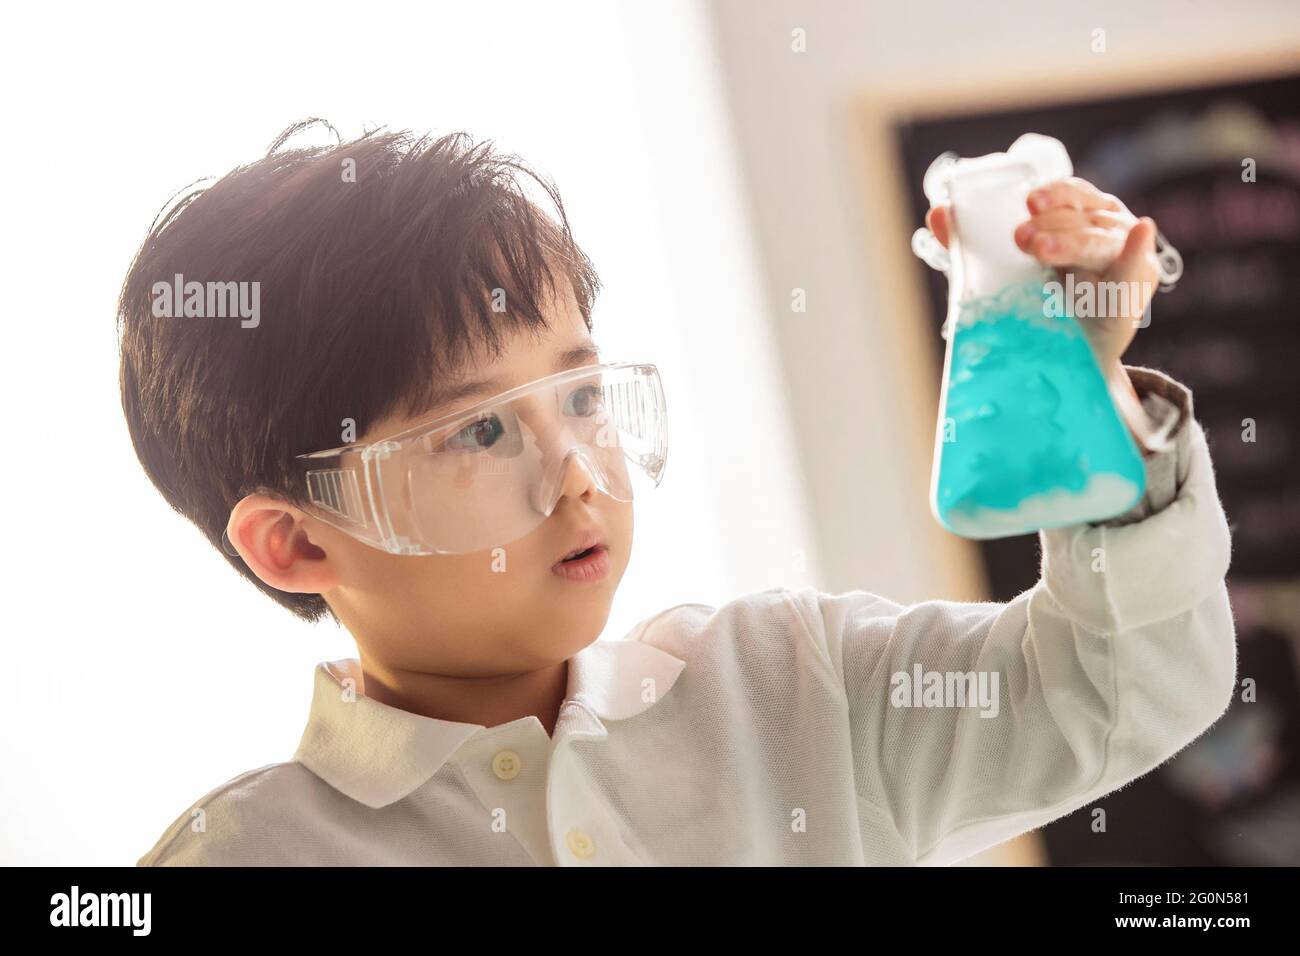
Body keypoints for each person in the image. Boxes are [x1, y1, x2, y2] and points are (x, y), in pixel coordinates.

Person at [124, 122, 1235, 865]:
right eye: (477, 427)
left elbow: (1120, 688)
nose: (578, 471)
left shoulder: (794, 686)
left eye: (583, 393)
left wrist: (1081, 401)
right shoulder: (248, 851)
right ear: (296, 545)